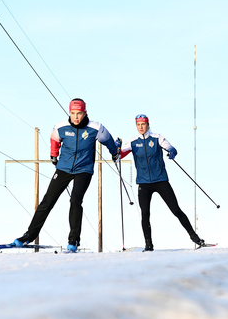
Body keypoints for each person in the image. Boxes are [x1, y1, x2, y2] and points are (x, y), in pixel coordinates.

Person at [14, 98, 121, 252]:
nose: (76, 117)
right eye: (72, 113)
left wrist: (114, 152)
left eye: (79, 113)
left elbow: (109, 141)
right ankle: (29, 235)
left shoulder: (95, 128)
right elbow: (54, 140)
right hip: (64, 168)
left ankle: (74, 240)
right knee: (47, 201)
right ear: (69, 113)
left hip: (84, 170)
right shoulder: (60, 127)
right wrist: (53, 154)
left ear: (85, 113)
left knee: (75, 200)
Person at [118, 114, 205, 251]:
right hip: (144, 183)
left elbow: (171, 148)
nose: (141, 127)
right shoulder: (133, 142)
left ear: (148, 124)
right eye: (138, 125)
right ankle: (148, 244)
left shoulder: (157, 138)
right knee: (145, 214)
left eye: (143, 124)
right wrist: (116, 148)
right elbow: (119, 155)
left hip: (160, 180)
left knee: (176, 210)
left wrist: (171, 153)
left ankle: (195, 238)